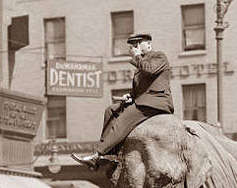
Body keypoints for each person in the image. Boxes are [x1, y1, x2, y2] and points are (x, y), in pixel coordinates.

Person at [72, 33, 173, 170]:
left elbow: (150, 70)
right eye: (133, 45)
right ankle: (109, 154)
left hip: (156, 102)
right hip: (143, 100)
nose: (134, 47)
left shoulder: (159, 56)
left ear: (149, 44)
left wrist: (136, 56)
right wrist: (130, 96)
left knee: (122, 120)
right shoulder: (141, 64)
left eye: (138, 43)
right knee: (111, 110)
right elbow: (141, 89)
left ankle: (98, 154)